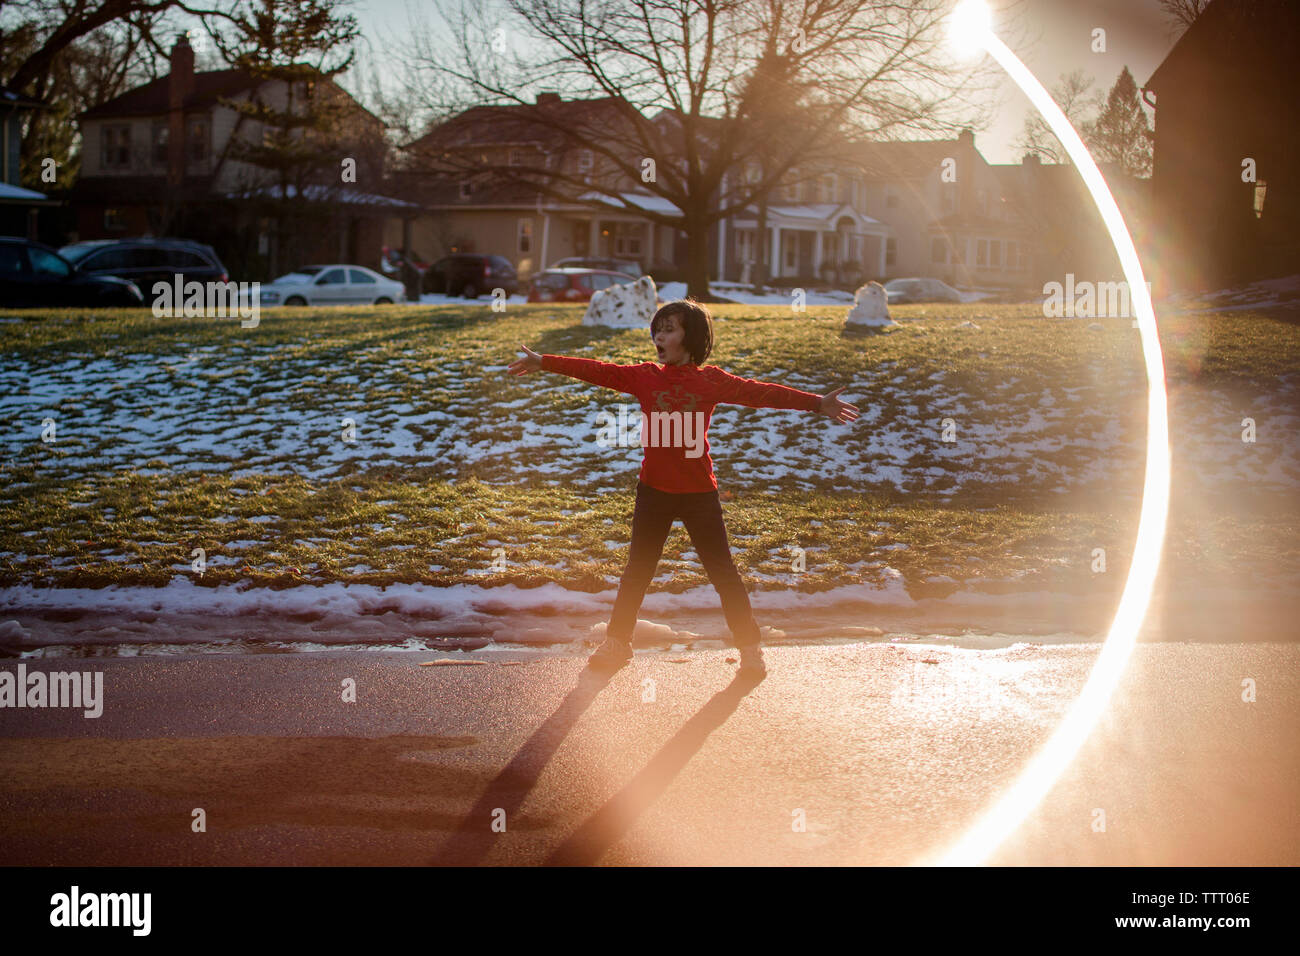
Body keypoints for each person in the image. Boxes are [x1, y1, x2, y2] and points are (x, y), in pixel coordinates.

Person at [505, 298, 858, 676]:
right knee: (637, 571)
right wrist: (545, 362)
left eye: (669, 329)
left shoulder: (711, 381)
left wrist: (816, 403)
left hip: (698, 495)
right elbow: (598, 370)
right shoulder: (644, 376)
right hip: (653, 492)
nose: (659, 336)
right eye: (657, 329)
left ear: (691, 337)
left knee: (723, 572)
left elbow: (762, 393)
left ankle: (750, 648)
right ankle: (617, 643)